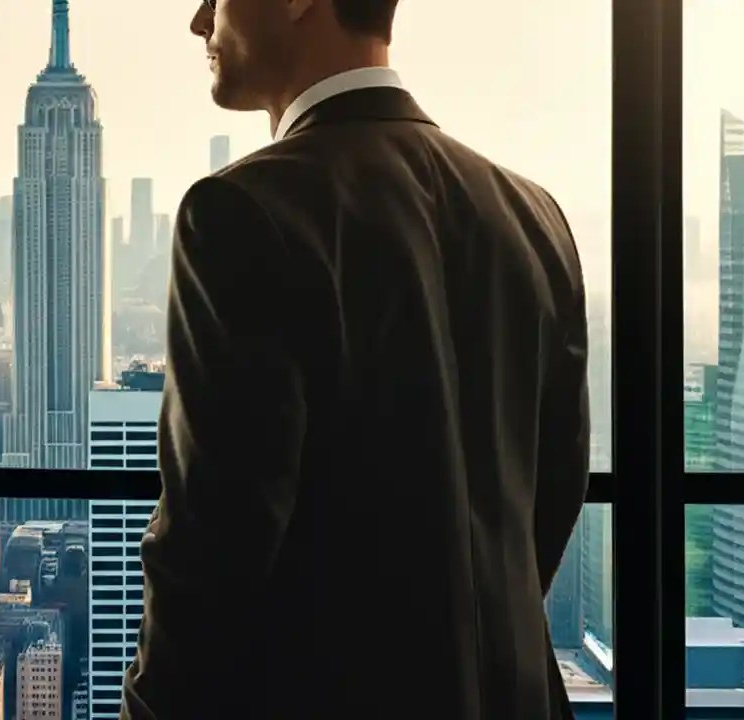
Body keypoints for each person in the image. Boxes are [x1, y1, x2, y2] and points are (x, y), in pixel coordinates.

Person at [120, 0, 590, 718]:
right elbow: (548, 500)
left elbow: (211, 551)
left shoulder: (243, 213)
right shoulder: (531, 214)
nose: (198, 20)